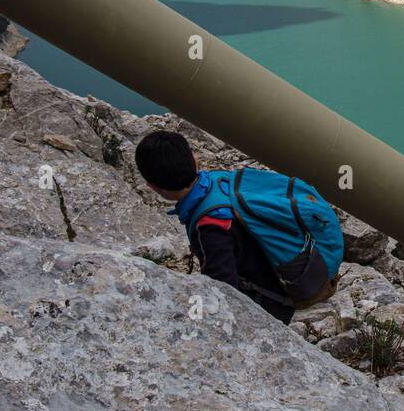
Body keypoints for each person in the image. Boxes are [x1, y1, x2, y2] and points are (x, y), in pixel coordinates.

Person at [135, 131, 342, 325]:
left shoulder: (209, 227)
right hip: (281, 282)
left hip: (269, 308)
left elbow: (223, 291)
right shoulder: (219, 181)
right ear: (194, 159)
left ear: (152, 186)